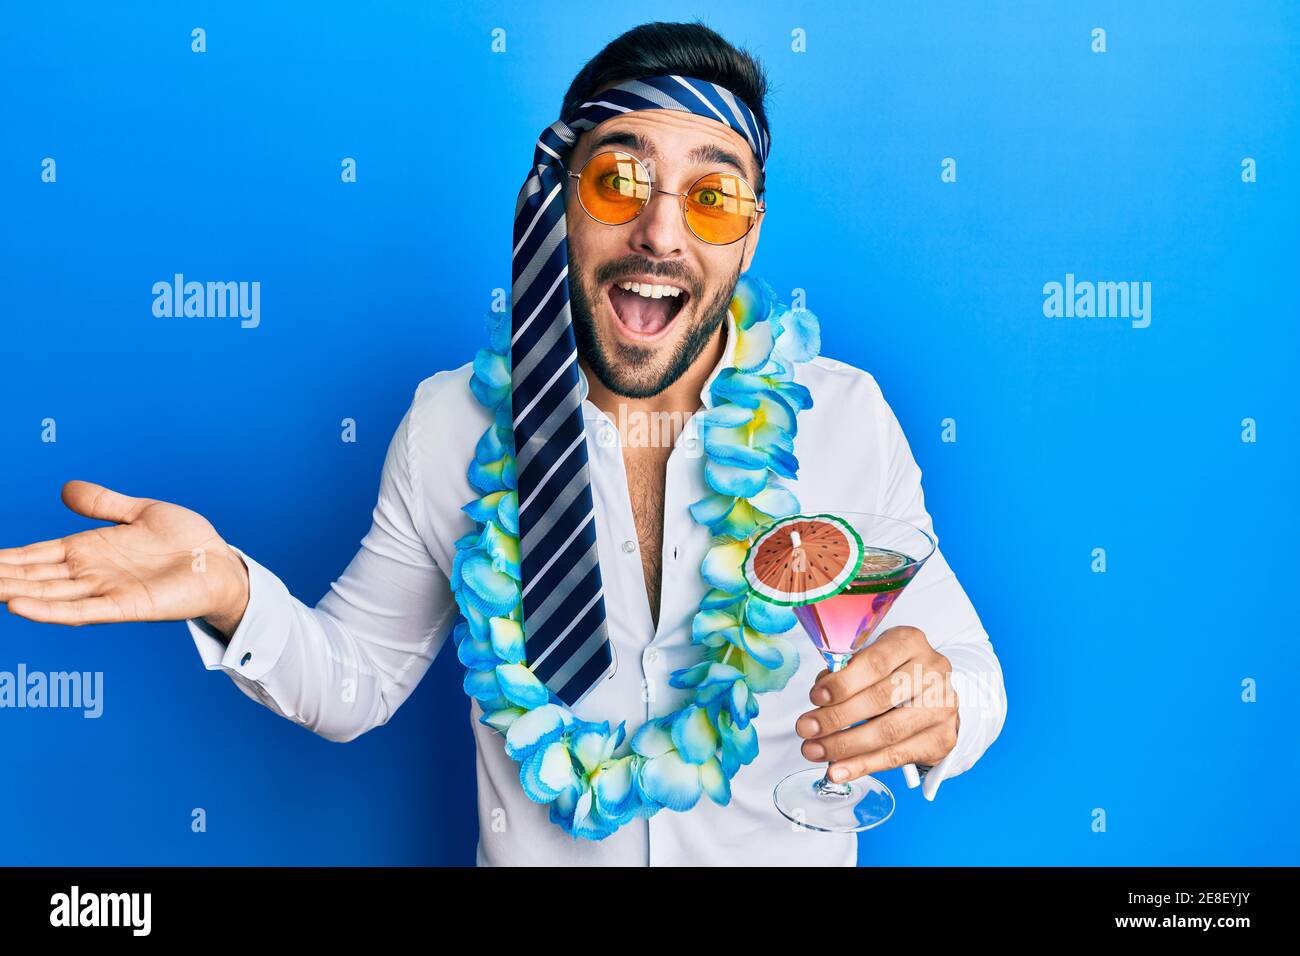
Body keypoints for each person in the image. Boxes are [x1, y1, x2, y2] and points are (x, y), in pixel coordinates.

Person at [0, 21, 1006, 866]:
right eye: (618, 180)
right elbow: (353, 682)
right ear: (557, 207)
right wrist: (230, 591)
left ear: (745, 239)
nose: (661, 233)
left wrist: (941, 701)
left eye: (710, 197)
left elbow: (969, 669)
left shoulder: (840, 419)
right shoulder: (452, 426)